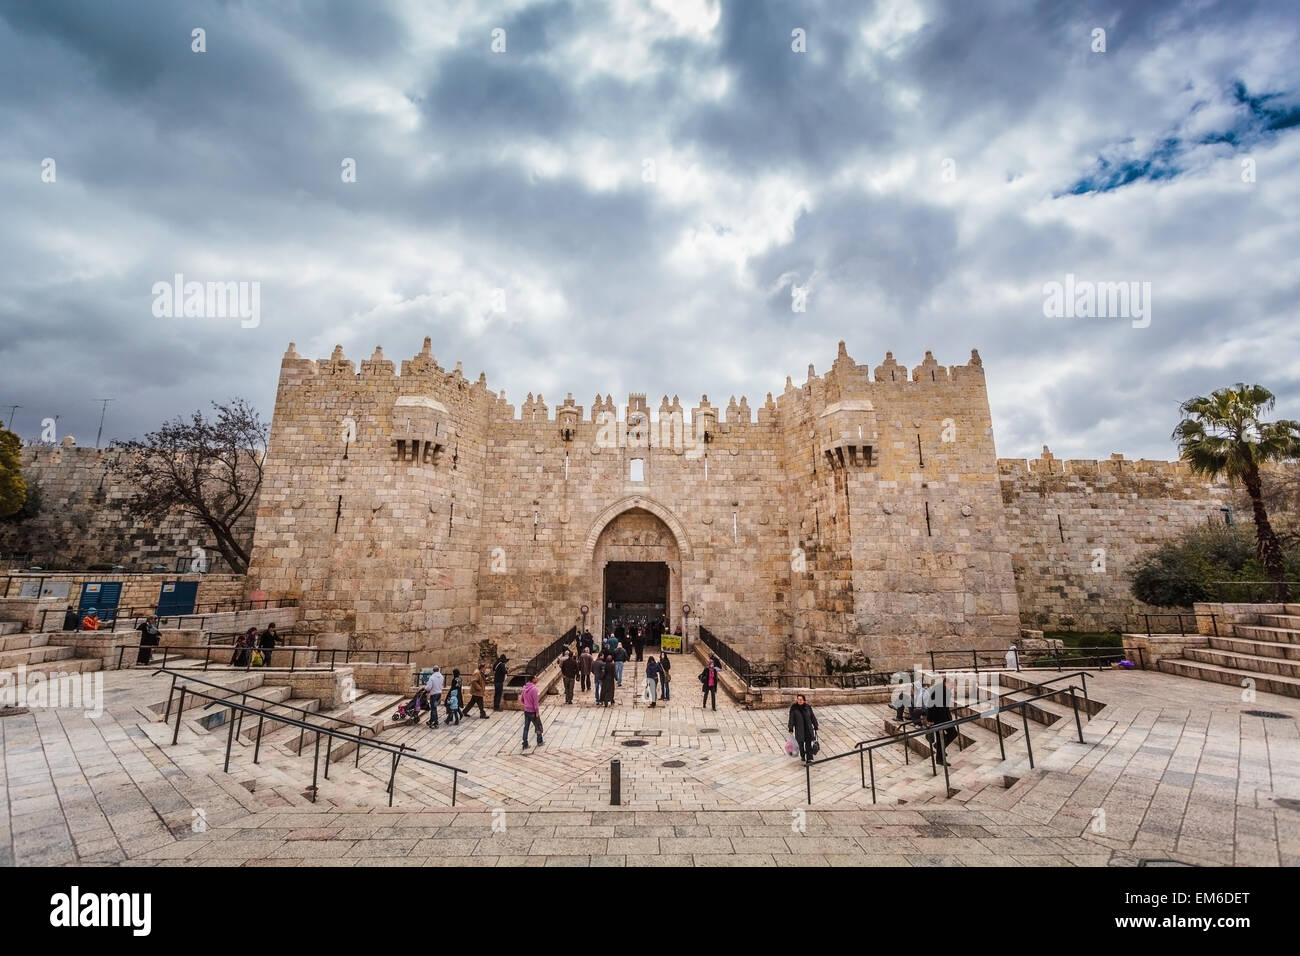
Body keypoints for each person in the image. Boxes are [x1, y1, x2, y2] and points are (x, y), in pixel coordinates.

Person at [926, 677, 959, 765]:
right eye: (951, 684)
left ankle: (939, 749)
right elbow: (931, 706)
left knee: (951, 734)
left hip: (944, 718)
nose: (953, 686)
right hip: (938, 719)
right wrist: (930, 720)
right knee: (952, 734)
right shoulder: (939, 691)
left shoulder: (945, 691)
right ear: (945, 683)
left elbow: (945, 707)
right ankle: (939, 757)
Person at [788, 694, 819, 763]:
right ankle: (802, 756)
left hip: (808, 729)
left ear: (804, 700)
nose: (799, 701)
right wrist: (790, 728)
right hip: (799, 730)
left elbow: (812, 717)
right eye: (798, 699)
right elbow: (791, 719)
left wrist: (815, 725)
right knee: (801, 745)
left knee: (808, 745)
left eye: (801, 699)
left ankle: (809, 759)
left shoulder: (808, 707)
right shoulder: (794, 708)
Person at [520, 674, 544, 748]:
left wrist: (527, 705)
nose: (537, 679)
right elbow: (535, 703)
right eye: (536, 678)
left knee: (526, 728)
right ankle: (539, 741)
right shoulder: (534, 689)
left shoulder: (524, 688)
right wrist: (537, 712)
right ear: (533, 679)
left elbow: (521, 699)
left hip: (526, 711)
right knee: (538, 726)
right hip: (533, 712)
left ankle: (525, 743)